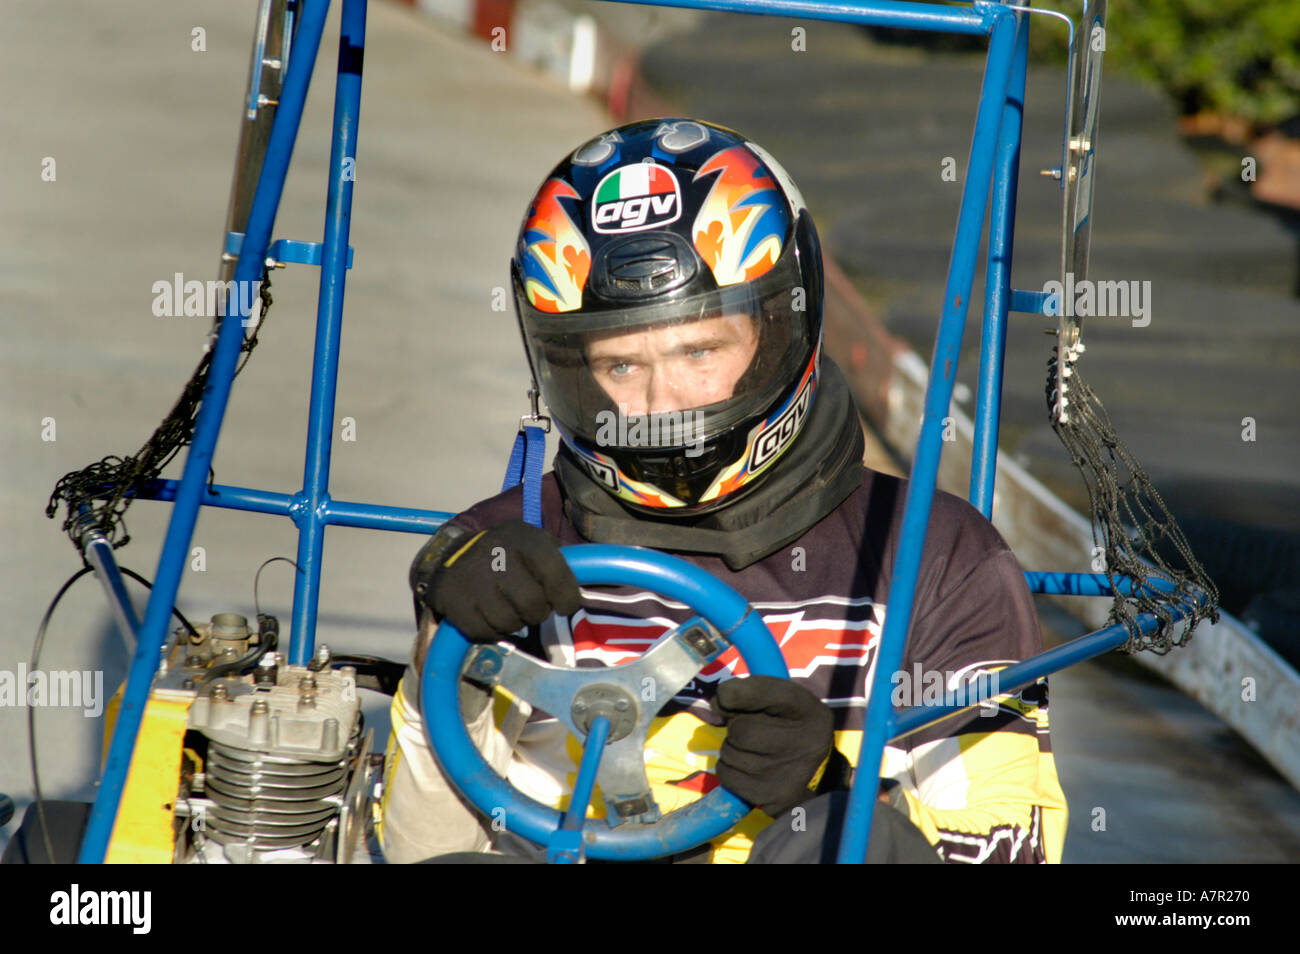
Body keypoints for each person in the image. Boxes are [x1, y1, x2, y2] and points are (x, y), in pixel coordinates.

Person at [379, 118, 1068, 864]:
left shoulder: (936, 558)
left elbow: (1004, 849)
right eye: (619, 366)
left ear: (782, 325)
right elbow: (424, 852)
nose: (662, 402)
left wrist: (827, 790)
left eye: (700, 350)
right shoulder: (505, 555)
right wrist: (442, 669)